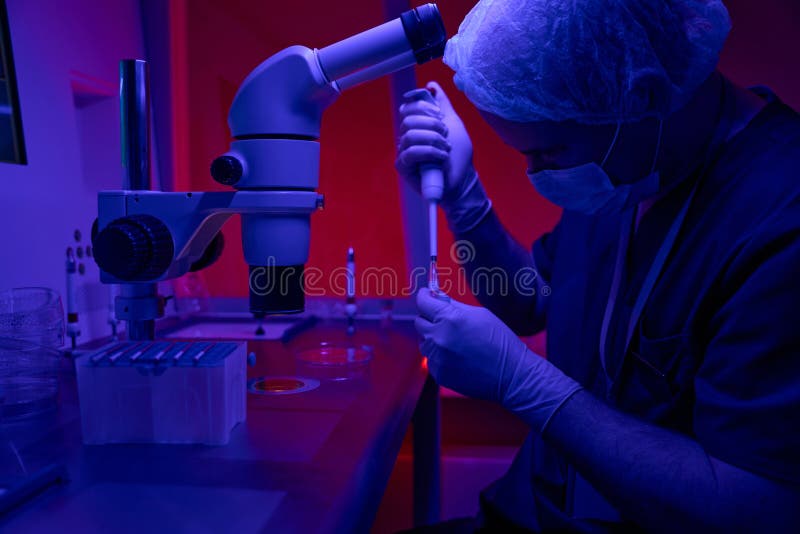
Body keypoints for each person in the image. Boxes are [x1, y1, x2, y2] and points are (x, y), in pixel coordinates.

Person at [396, 0, 800, 531]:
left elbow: (757, 508)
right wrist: (466, 203)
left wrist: (526, 385)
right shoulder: (634, 165)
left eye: (550, 151)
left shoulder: (777, 218)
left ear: (645, 97)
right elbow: (533, 301)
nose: (536, 174)